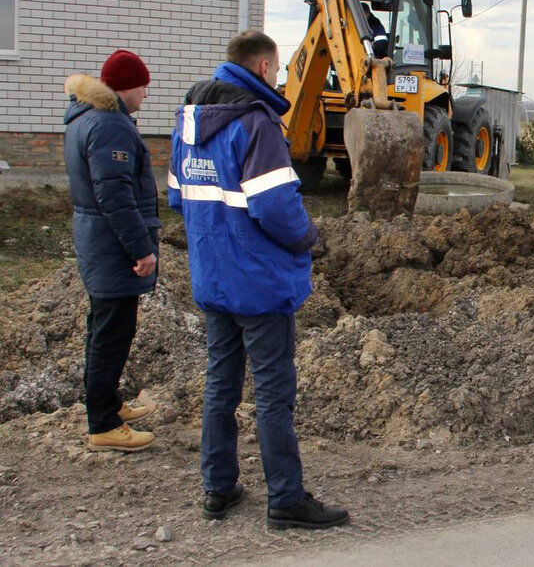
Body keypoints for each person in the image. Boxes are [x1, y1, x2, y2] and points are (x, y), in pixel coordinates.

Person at [167, 30, 349, 529]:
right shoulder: (256, 122)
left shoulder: (188, 122)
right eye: (277, 68)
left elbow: (178, 198)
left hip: (212, 277)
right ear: (265, 68)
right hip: (259, 283)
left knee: (220, 385)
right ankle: (286, 498)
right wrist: (307, 237)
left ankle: (217, 488)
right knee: (273, 393)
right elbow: (275, 208)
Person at [63, 49, 160, 452]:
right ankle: (103, 424)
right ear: (126, 86)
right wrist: (141, 249)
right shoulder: (110, 126)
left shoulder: (85, 118)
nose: (145, 95)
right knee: (112, 334)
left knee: (104, 329)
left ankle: (107, 404)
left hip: (97, 239)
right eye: (143, 87)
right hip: (112, 245)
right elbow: (115, 196)